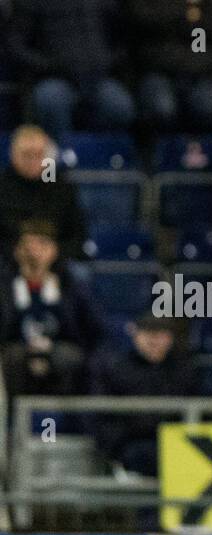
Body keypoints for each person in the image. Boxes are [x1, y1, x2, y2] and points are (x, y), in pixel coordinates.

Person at [6, 0, 136, 141]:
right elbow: (15, 46)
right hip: (54, 78)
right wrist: (48, 65)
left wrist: (108, 61)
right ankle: (61, 157)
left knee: (119, 107)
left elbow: (123, 38)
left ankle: (101, 157)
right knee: (51, 101)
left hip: (99, 77)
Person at [0, 220, 99, 396]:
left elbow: (89, 330)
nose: (33, 253)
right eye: (28, 247)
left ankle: (65, 419)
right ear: (17, 252)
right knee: (12, 358)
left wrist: (57, 302)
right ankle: (12, 420)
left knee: (69, 358)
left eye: (41, 245)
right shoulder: (6, 286)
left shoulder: (71, 286)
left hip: (59, 350)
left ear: (54, 251)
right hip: (17, 353)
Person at [88, 314, 195, 477]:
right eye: (149, 334)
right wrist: (117, 448)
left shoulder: (184, 370)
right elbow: (102, 418)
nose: (155, 341)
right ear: (136, 335)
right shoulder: (115, 369)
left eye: (161, 335)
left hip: (177, 444)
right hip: (132, 447)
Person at [128, 0, 212, 131]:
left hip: (201, 71)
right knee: (163, 108)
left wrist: (177, 20)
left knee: (211, 108)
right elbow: (143, 18)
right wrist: (185, 12)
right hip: (158, 70)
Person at [0, 126, 86, 256]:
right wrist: (18, 252)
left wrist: (54, 251)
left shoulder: (59, 185)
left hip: (56, 260)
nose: (33, 161)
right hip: (11, 259)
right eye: (27, 155)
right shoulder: (3, 184)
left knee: (79, 272)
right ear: (13, 154)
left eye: (39, 154)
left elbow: (77, 235)